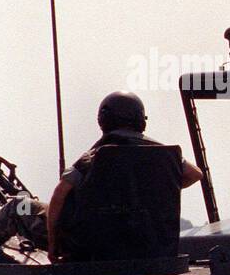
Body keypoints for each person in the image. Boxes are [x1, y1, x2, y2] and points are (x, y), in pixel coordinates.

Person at [47, 91, 203, 262]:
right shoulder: (166, 154)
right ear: (141, 120)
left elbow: (60, 194)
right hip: (153, 250)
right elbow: (195, 174)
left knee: (18, 207)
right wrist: (152, 190)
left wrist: (53, 242)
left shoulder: (95, 156)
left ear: (103, 120)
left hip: (97, 253)